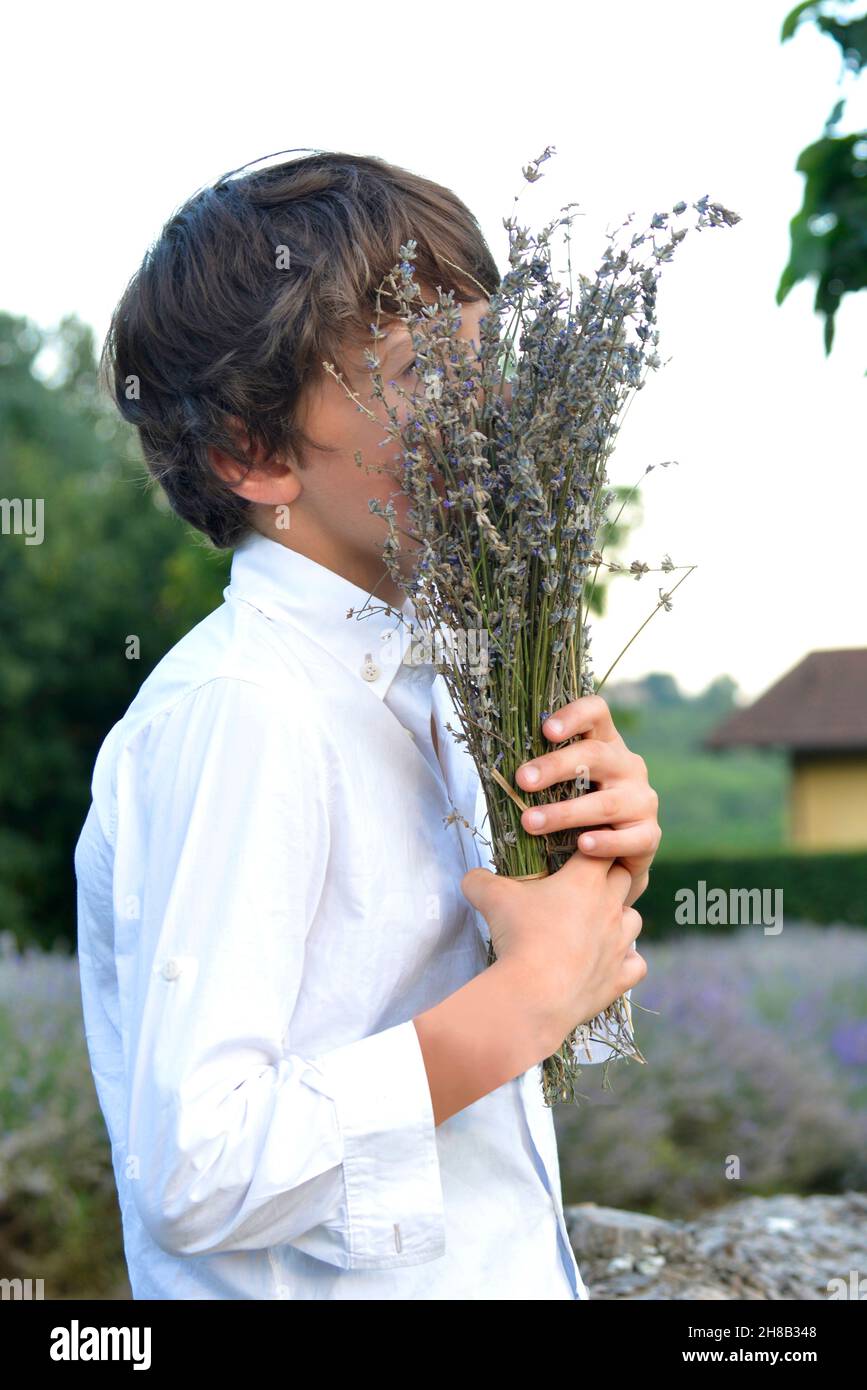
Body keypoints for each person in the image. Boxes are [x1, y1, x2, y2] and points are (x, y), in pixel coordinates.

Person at [74, 151, 659, 1300]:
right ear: (254, 452)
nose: (490, 415)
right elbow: (192, 1169)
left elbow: (539, 1052)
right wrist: (520, 1001)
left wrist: (590, 892)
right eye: (416, 375)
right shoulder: (245, 713)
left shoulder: (447, 676)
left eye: (482, 358)